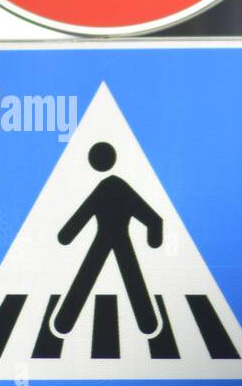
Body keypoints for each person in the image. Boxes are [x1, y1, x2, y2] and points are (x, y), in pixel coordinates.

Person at [52, 141, 163, 338]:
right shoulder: (117, 188)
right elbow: (153, 218)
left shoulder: (107, 187)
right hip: (117, 238)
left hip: (106, 238)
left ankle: (64, 322)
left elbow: (82, 214)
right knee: (131, 277)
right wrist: (153, 239)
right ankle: (148, 323)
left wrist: (66, 236)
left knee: (89, 276)